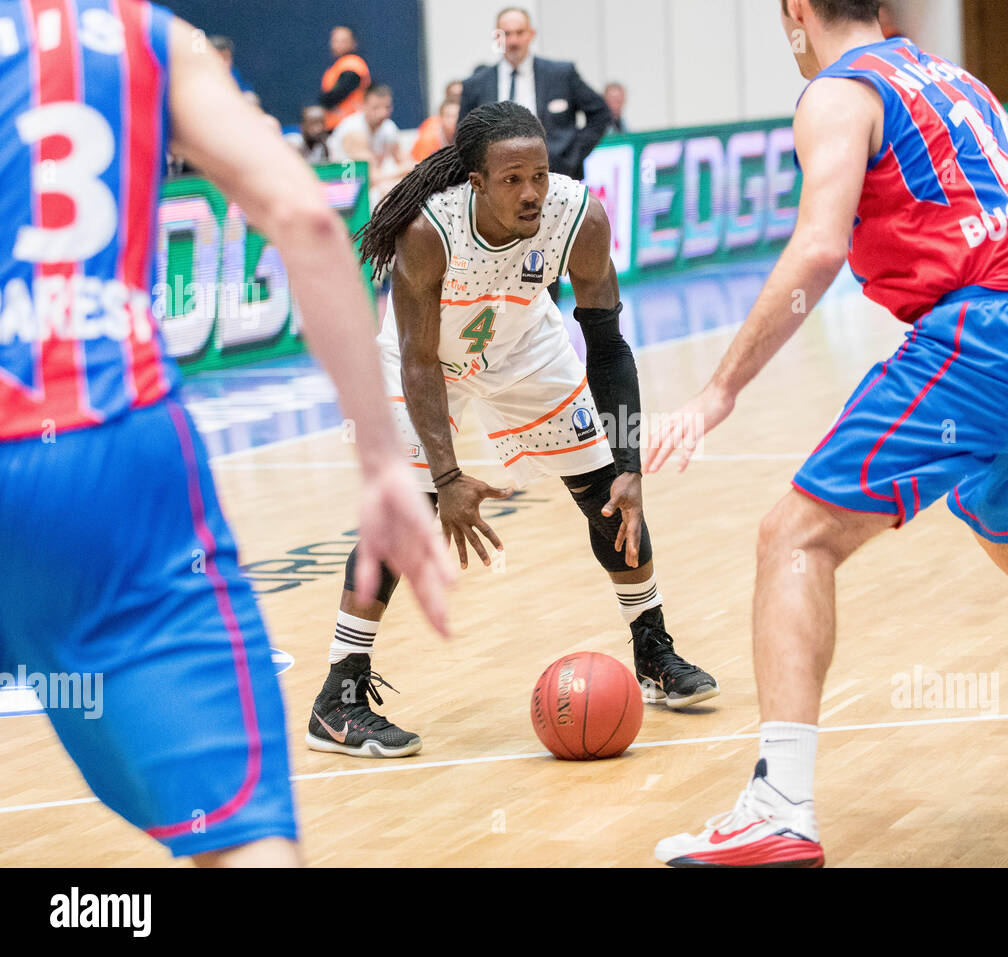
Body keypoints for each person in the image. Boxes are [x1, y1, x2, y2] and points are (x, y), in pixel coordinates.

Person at [647, 0, 1008, 868]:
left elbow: (819, 250)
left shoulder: (838, 92)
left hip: (995, 333)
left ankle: (780, 804)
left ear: (796, 10)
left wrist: (720, 389)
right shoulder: (950, 77)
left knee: (794, 538)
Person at [0, 0, 453, 866]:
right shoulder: (149, 37)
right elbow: (309, 219)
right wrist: (382, 461)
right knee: (242, 842)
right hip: (114, 450)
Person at [304, 102, 718, 759]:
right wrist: (445, 475)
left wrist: (630, 462)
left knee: (608, 493)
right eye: (512, 179)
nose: (531, 192)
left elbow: (607, 346)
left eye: (540, 175)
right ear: (476, 182)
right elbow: (416, 359)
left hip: (526, 346)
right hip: (426, 362)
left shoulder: (578, 216)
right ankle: (339, 694)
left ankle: (652, 647)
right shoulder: (427, 230)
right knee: (404, 510)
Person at [458, 7, 611, 182]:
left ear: (531, 34)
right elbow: (463, 136)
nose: (513, 41)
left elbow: (600, 113)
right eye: (506, 34)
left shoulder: (561, 74)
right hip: (498, 184)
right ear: (497, 37)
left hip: (557, 176)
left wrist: (573, 155)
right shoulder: (476, 84)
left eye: (519, 32)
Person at [328, 85, 411, 200]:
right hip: (342, 190)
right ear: (363, 106)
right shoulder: (353, 130)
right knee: (389, 191)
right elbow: (371, 177)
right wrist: (403, 170)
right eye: (376, 108)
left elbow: (409, 163)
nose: (383, 113)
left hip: (369, 187)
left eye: (387, 107)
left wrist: (406, 170)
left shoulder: (389, 127)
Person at [321, 24, 371, 131]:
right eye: (335, 41)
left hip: (349, 125)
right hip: (336, 124)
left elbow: (337, 94)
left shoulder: (352, 64)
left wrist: (323, 100)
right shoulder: (338, 65)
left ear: (354, 43)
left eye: (343, 41)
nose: (337, 45)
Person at [411, 99, 460, 163]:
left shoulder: (468, 136)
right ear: (440, 119)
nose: (454, 120)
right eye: (449, 116)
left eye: (457, 116)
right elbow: (420, 169)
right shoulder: (427, 140)